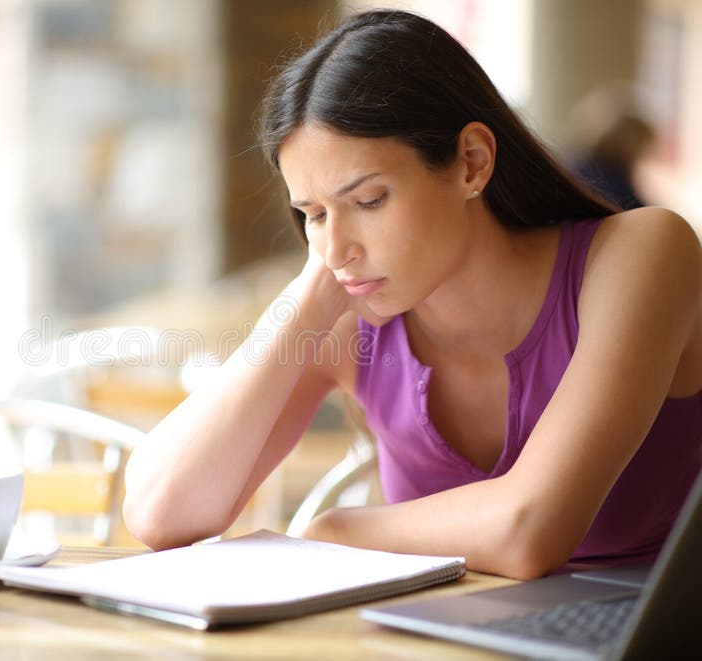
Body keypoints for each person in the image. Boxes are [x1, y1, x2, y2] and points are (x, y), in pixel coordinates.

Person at [122, 9, 702, 580]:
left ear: (471, 163)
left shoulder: (641, 255)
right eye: (313, 214)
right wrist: (305, 302)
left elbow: (528, 531)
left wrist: (335, 532)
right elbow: (160, 513)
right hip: (432, 630)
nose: (336, 247)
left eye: (369, 200)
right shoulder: (346, 318)